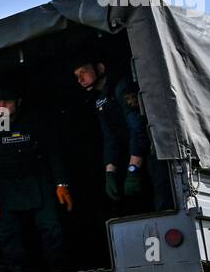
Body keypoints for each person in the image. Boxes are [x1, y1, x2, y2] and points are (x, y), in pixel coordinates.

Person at [0, 87, 72, 272]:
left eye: (7, 101)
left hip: (37, 181)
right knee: (7, 234)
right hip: (4, 187)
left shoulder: (34, 120)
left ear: (18, 101)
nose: (2, 106)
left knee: (51, 228)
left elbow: (53, 152)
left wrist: (62, 183)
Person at [71, 57, 172, 211]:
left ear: (100, 68)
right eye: (77, 76)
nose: (80, 79)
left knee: (162, 196)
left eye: (84, 72)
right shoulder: (99, 100)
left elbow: (139, 129)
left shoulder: (122, 87)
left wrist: (133, 169)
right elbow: (109, 137)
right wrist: (110, 172)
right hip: (134, 153)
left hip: (154, 149)